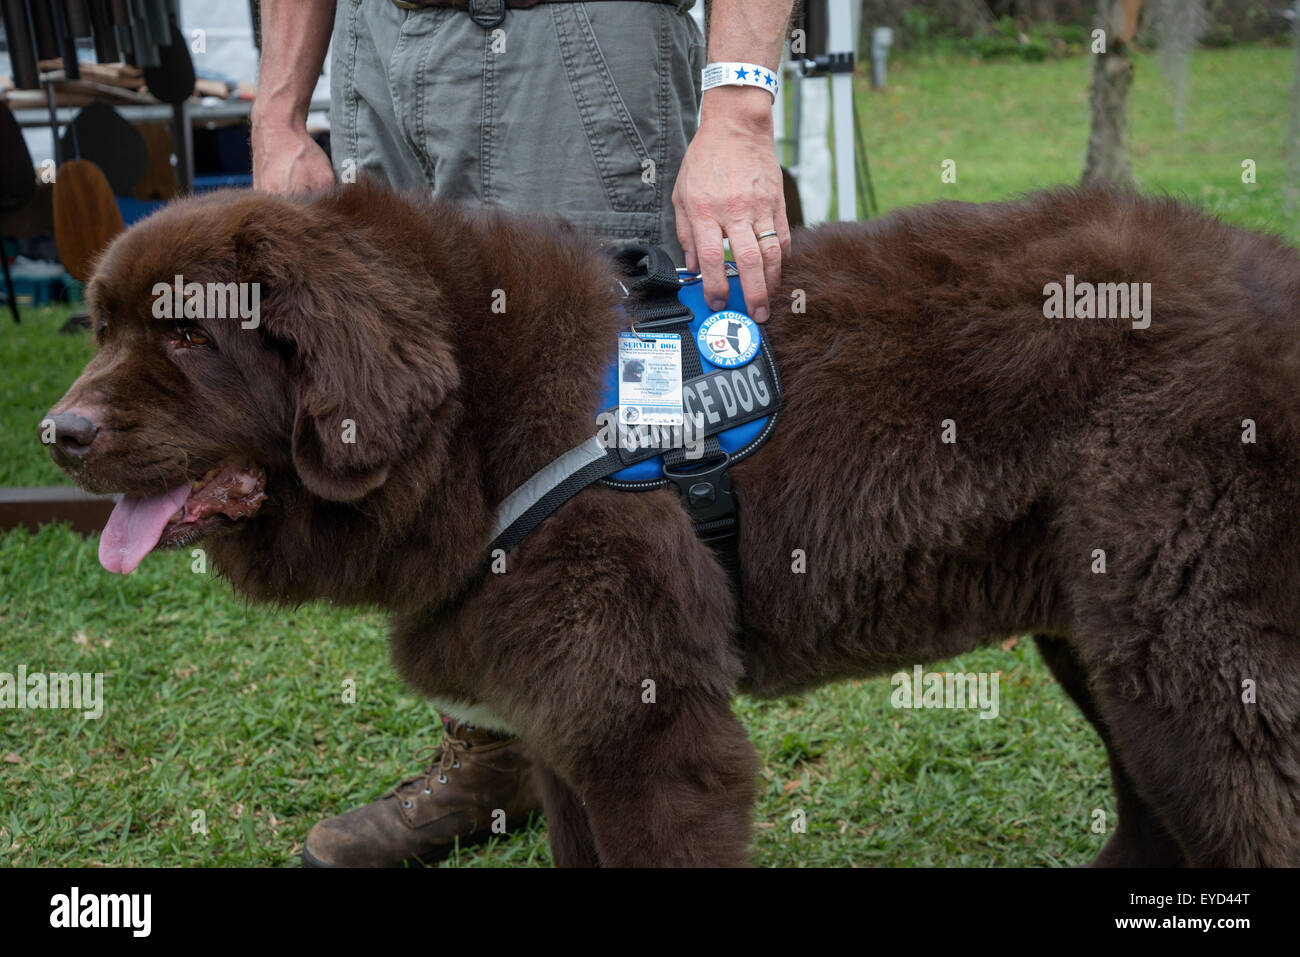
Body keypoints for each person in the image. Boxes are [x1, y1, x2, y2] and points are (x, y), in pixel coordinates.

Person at [251, 0, 794, 867]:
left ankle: (649, 750)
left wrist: (739, 106)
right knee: (413, 423)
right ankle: (492, 749)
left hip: (572, 38)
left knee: (594, 440)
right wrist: (277, 111)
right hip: (379, 45)